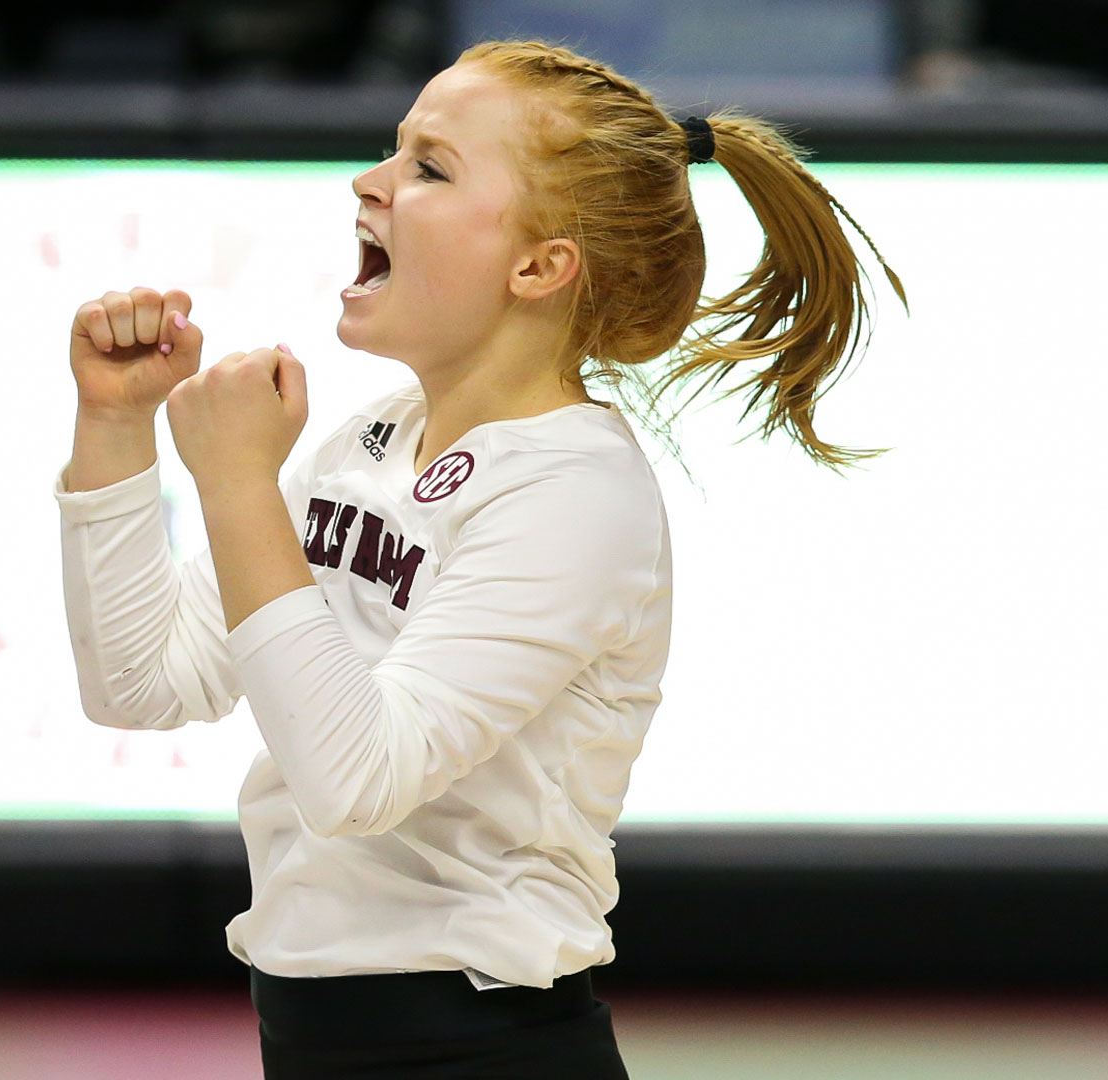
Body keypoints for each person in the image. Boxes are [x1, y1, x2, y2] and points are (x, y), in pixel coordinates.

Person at [54, 38, 905, 1079]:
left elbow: (358, 778)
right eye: (393, 151)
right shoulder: (366, 441)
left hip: (477, 1044)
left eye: (429, 168)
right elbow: (140, 683)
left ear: (540, 267)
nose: (370, 182)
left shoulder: (574, 490)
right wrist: (115, 432)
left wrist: (234, 487)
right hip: (314, 1038)